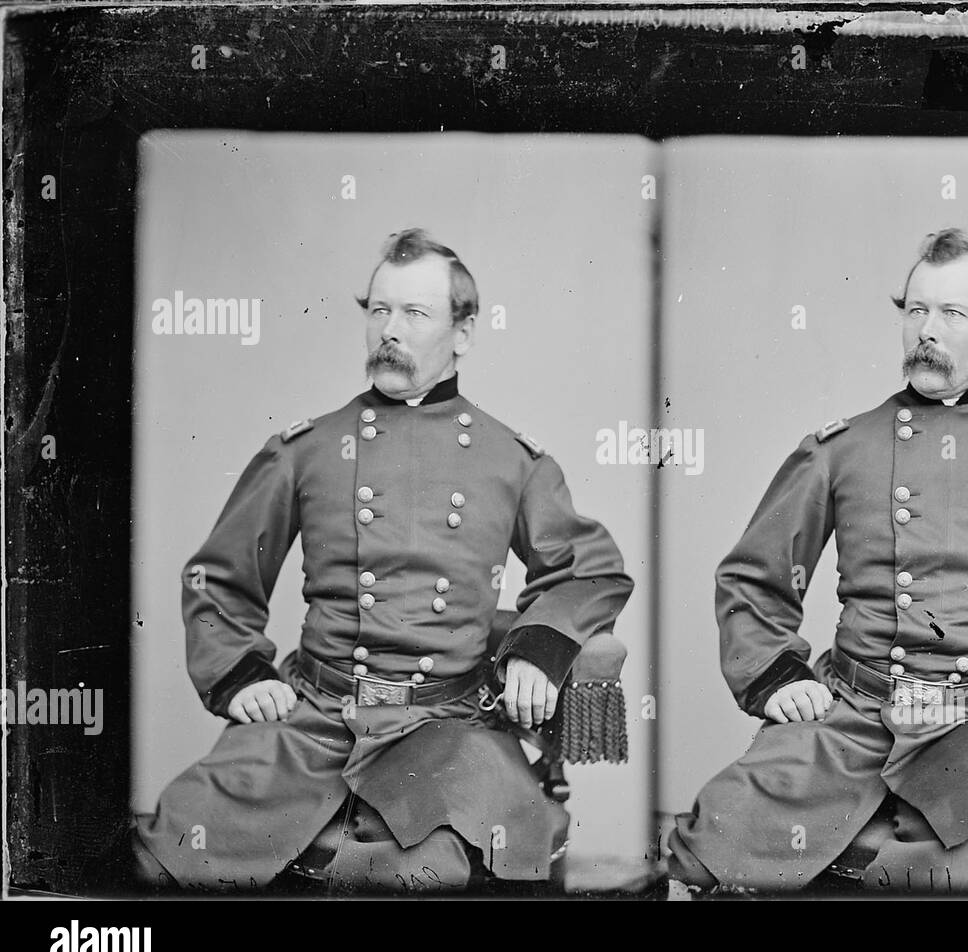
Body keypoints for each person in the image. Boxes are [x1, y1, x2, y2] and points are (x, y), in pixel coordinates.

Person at [666, 228, 968, 893]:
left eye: (952, 314)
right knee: (710, 843)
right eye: (916, 311)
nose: (927, 330)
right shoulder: (840, 450)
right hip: (851, 719)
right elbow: (752, 579)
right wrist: (777, 675)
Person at [133, 228, 634, 892]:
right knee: (172, 847)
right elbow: (217, 575)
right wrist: (240, 673)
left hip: (450, 724)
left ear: (464, 332)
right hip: (315, 718)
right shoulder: (305, 450)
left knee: (423, 871)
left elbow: (589, 567)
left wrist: (537, 647)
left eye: (414, 313)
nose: (388, 330)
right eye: (378, 310)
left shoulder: (512, 461)